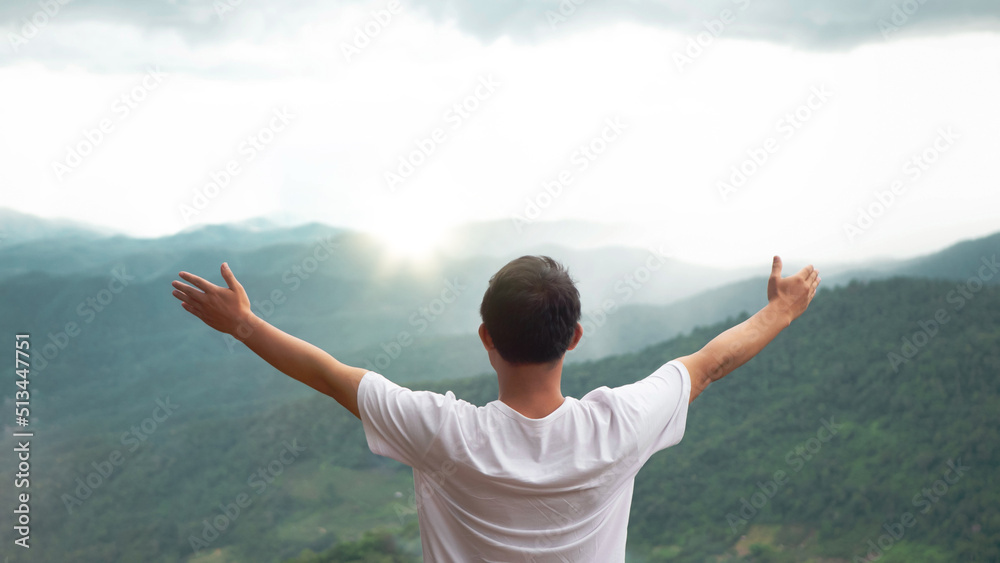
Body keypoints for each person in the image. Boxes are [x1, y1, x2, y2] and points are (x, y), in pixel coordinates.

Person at [171, 254, 820, 562]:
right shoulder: (620, 426)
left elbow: (332, 375)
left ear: (485, 339)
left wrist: (243, 325)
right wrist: (784, 307)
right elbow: (710, 361)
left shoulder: (443, 435)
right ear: (574, 338)